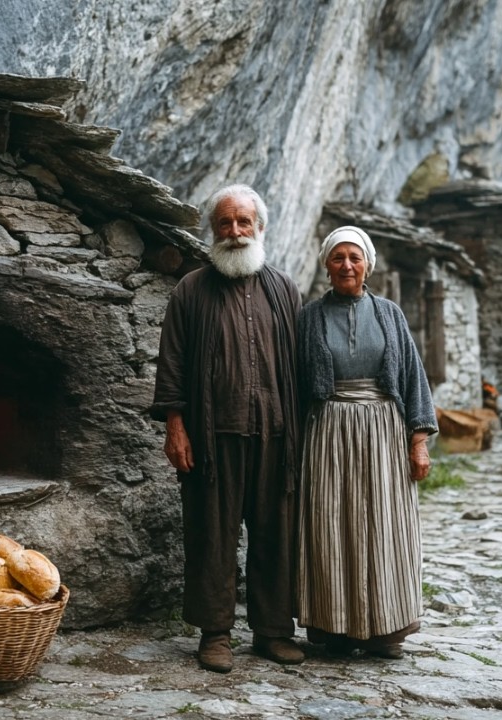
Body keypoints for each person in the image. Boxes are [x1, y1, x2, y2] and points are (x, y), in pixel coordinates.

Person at [149, 184, 305, 673]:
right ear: (212, 230)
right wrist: (176, 428)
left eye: (244, 223)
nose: (235, 232)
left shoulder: (285, 290)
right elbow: (171, 365)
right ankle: (215, 634)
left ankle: (273, 631)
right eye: (225, 223)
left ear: (260, 228)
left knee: (275, 536)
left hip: (276, 437)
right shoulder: (191, 290)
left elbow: (300, 366)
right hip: (212, 439)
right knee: (211, 536)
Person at [295, 225, 437, 659]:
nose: (347, 266)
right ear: (326, 265)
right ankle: (334, 628)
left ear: (368, 265)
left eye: (355, 258)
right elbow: (295, 384)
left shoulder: (389, 314)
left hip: (383, 432)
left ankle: (384, 629)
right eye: (338, 258)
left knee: (384, 525)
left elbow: (412, 378)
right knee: (329, 524)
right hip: (328, 431)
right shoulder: (309, 317)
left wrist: (418, 441)